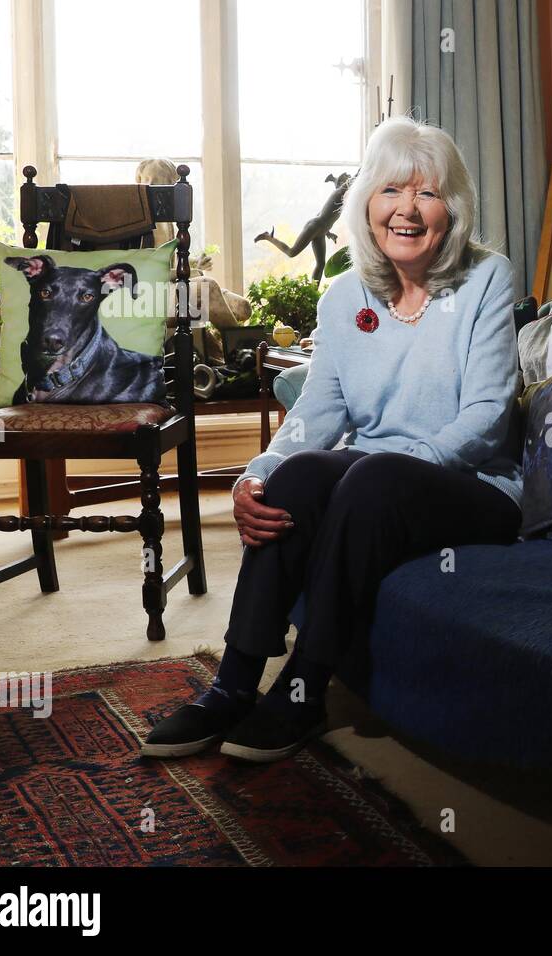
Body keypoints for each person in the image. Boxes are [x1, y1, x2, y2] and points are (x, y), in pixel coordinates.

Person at [142, 116, 523, 762]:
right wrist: (255, 473)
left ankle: (303, 689)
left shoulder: (487, 279)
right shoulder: (345, 297)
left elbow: (487, 415)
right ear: (366, 204)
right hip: (373, 488)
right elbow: (318, 413)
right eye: (389, 191)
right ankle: (233, 684)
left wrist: (395, 465)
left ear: (450, 209)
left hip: (473, 489)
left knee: (368, 474)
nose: (406, 209)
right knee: (294, 478)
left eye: (426, 193)